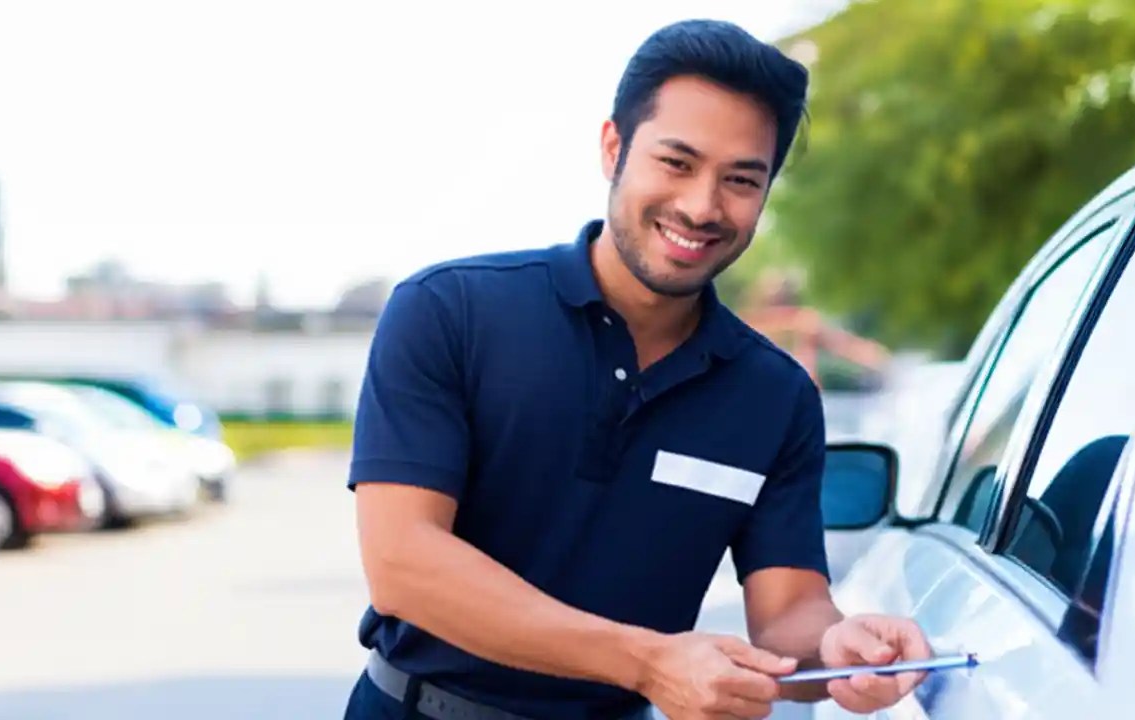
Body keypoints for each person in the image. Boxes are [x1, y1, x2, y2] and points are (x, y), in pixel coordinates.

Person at [344, 18, 932, 720]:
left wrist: (838, 647)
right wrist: (649, 662)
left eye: (741, 180)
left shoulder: (775, 397)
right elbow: (404, 566)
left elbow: (788, 611)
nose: (701, 206)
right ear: (613, 148)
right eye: (676, 162)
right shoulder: (451, 312)